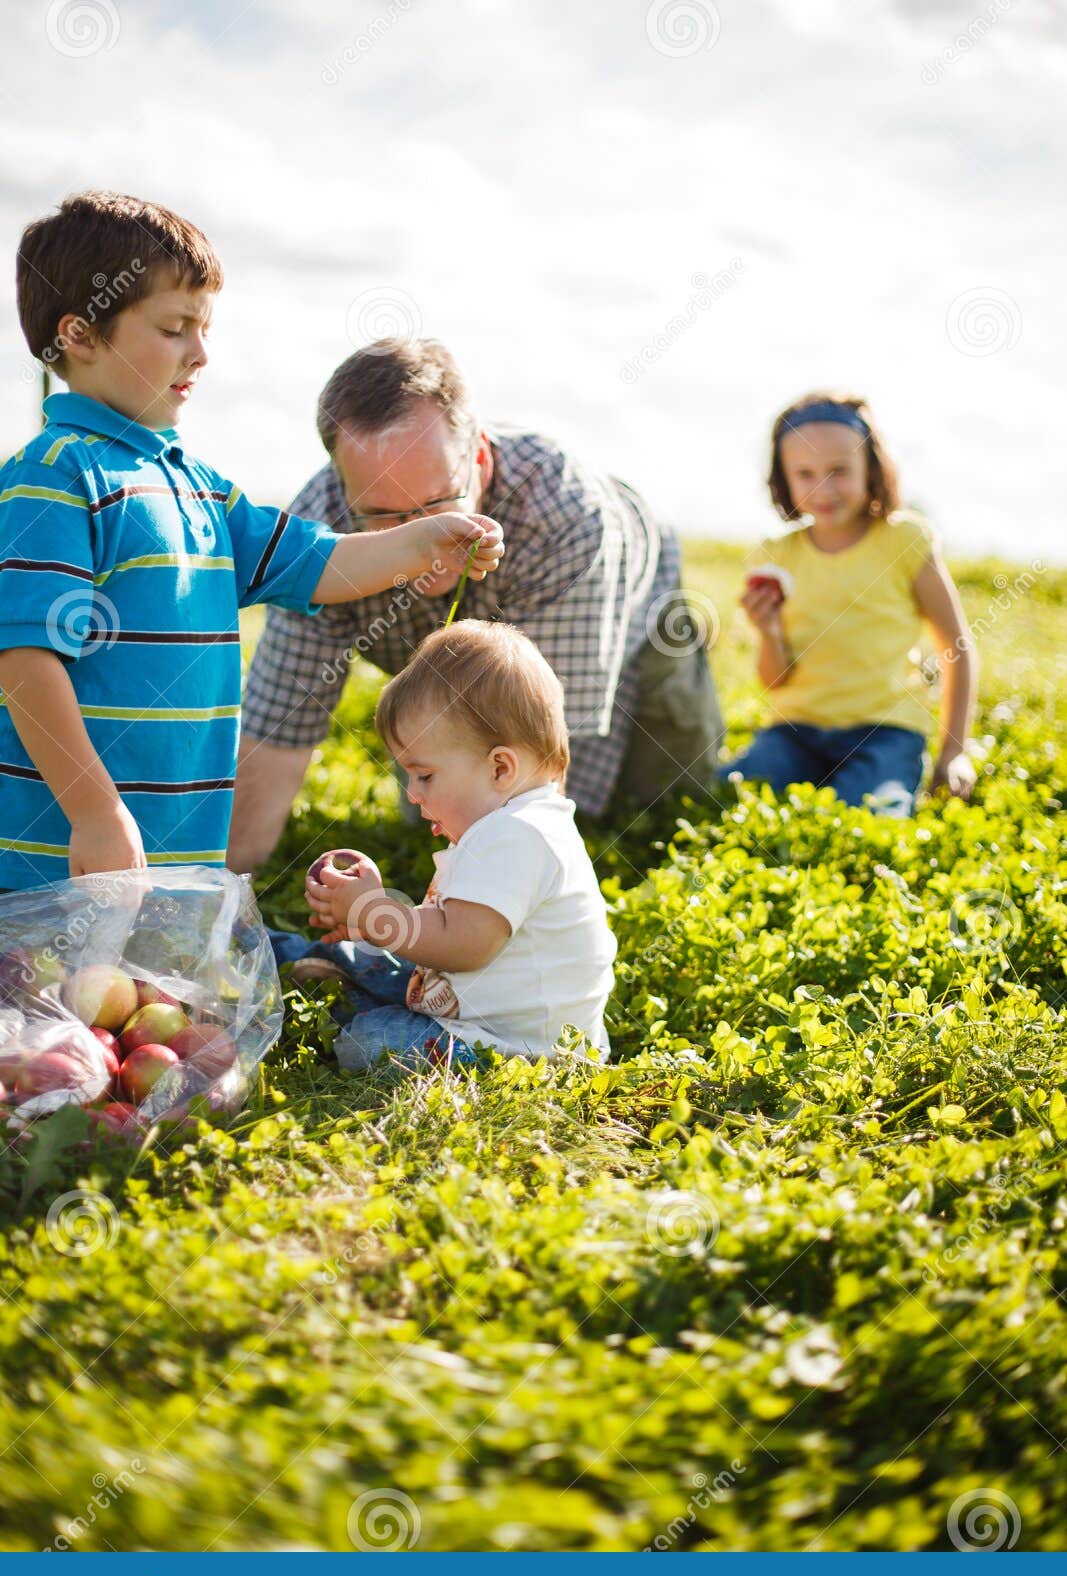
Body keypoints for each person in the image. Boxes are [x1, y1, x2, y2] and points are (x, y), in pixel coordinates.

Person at [0, 193, 502, 892]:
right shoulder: (54, 476)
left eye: (203, 329)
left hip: (177, 856)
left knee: (153, 1000)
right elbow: (24, 661)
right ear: (80, 336)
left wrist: (424, 540)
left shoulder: (199, 487)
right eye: (176, 328)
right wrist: (93, 808)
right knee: (53, 999)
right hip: (61, 855)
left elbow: (320, 562)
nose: (200, 353)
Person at [228, 338, 723, 872]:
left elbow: (544, 756)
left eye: (437, 504)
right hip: (445, 655)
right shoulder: (320, 530)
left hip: (632, 610)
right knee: (436, 809)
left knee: (661, 799)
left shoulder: (565, 515)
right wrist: (223, 891)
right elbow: (276, 730)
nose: (418, 540)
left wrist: (486, 907)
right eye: (382, 516)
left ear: (480, 458)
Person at [297, 621, 617, 1072]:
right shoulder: (513, 823)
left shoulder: (518, 834)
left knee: (368, 1040)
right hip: (465, 1005)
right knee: (366, 961)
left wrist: (374, 914)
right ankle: (309, 964)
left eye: (424, 775)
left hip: (516, 1051)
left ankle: (326, 996)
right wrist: (371, 918)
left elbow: (465, 945)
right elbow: (451, 926)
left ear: (500, 769)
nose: (412, 792)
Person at [720, 393, 977, 816]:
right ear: (784, 480)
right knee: (733, 800)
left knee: (872, 813)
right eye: (805, 473)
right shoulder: (775, 556)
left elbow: (957, 647)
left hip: (885, 732)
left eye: (839, 471)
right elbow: (774, 680)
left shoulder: (905, 541)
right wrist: (767, 631)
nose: (823, 488)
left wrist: (954, 752)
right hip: (795, 730)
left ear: (871, 469)